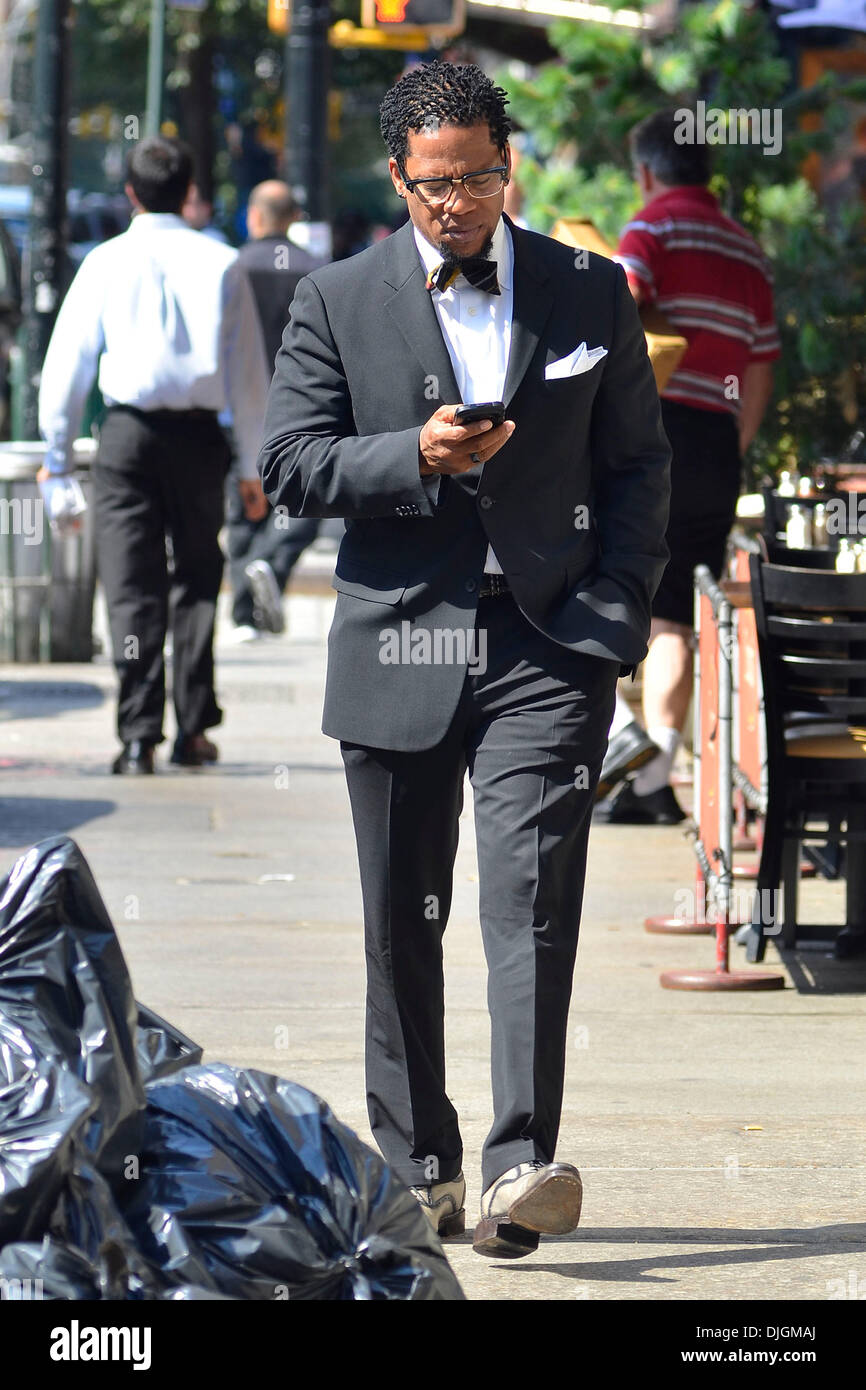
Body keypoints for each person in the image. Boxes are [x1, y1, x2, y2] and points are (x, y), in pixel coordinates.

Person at [258, 61, 671, 1258]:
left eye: (483, 176)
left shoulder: (589, 289)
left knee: (531, 899)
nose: (461, 201)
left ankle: (518, 1164)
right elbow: (289, 464)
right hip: (398, 634)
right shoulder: (335, 298)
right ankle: (420, 1162)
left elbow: (639, 463)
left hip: (547, 640)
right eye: (438, 184)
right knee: (402, 914)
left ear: (509, 167)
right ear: (398, 177)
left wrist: (616, 603)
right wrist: (413, 459)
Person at [38, 135, 269, 773]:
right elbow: (250, 376)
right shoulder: (223, 263)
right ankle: (193, 727)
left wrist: (57, 460)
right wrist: (254, 468)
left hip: (127, 437)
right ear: (189, 191)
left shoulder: (105, 261)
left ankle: (138, 734)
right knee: (196, 577)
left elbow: (67, 367)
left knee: (131, 584)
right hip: (199, 440)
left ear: (131, 193)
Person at [597, 107, 780, 824]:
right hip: (715, 443)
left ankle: (623, 732)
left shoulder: (653, 228)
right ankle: (652, 786)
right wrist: (732, 445)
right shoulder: (746, 249)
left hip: (650, 433)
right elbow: (761, 366)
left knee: (578, 575)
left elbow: (624, 298)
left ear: (646, 172)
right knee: (674, 614)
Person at [225, 181, 328, 640]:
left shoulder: (234, 267)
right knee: (300, 503)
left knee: (243, 507)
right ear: (292, 218)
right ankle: (271, 565)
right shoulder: (315, 271)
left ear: (255, 216)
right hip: (301, 404)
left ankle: (245, 614)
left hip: (243, 402)